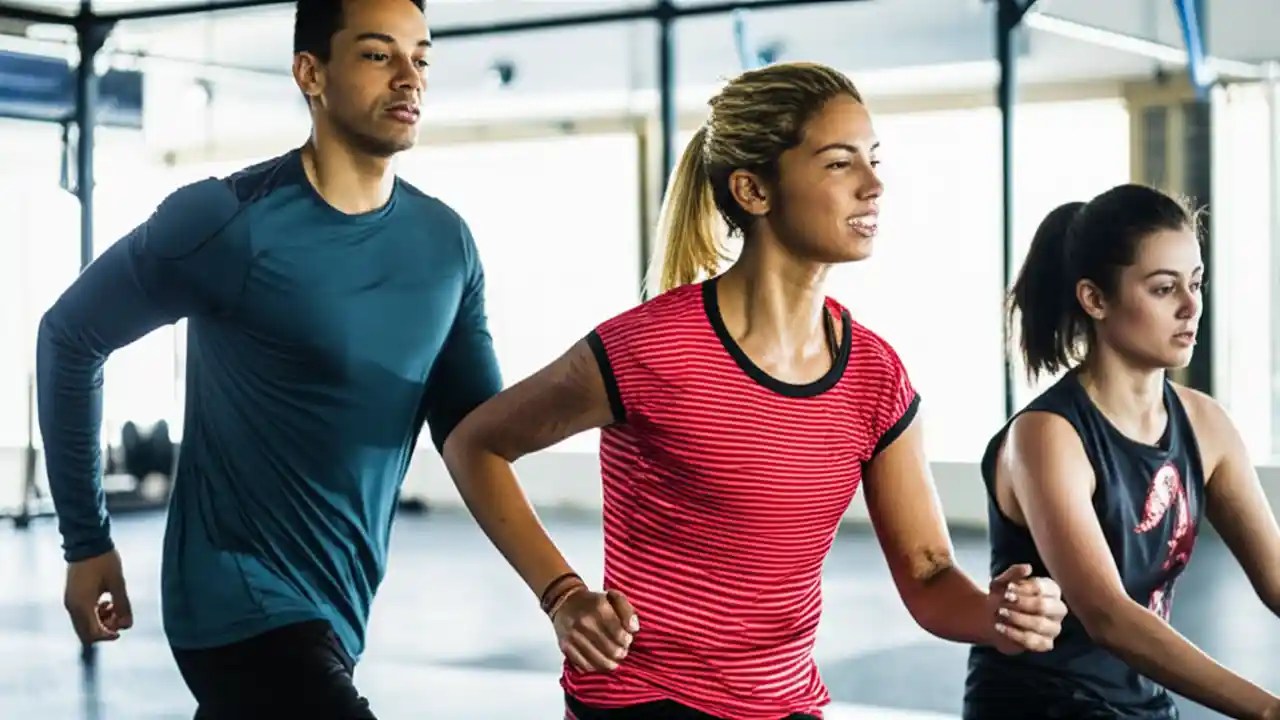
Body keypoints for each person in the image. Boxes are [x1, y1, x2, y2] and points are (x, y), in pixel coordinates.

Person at [441, 61, 1067, 720]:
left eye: (873, 160)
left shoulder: (874, 377)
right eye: (838, 163)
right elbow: (475, 445)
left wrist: (995, 616)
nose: (873, 185)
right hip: (643, 700)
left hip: (784, 702)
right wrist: (562, 595)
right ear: (753, 190)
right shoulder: (650, 349)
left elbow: (930, 574)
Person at [36, 0, 501, 717]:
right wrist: (86, 540)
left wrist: (619, 384)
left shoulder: (446, 245)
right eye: (380, 54)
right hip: (230, 599)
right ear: (310, 73)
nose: (411, 78)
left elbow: (480, 434)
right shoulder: (226, 221)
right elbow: (70, 336)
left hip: (337, 610)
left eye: (422, 57)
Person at [962, 184, 1280, 720]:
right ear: (1095, 299)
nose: (1190, 305)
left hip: (1141, 704)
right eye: (1163, 289)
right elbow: (1108, 615)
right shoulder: (1047, 436)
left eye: (1195, 283)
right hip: (1043, 706)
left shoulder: (1207, 424)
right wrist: (1269, 710)